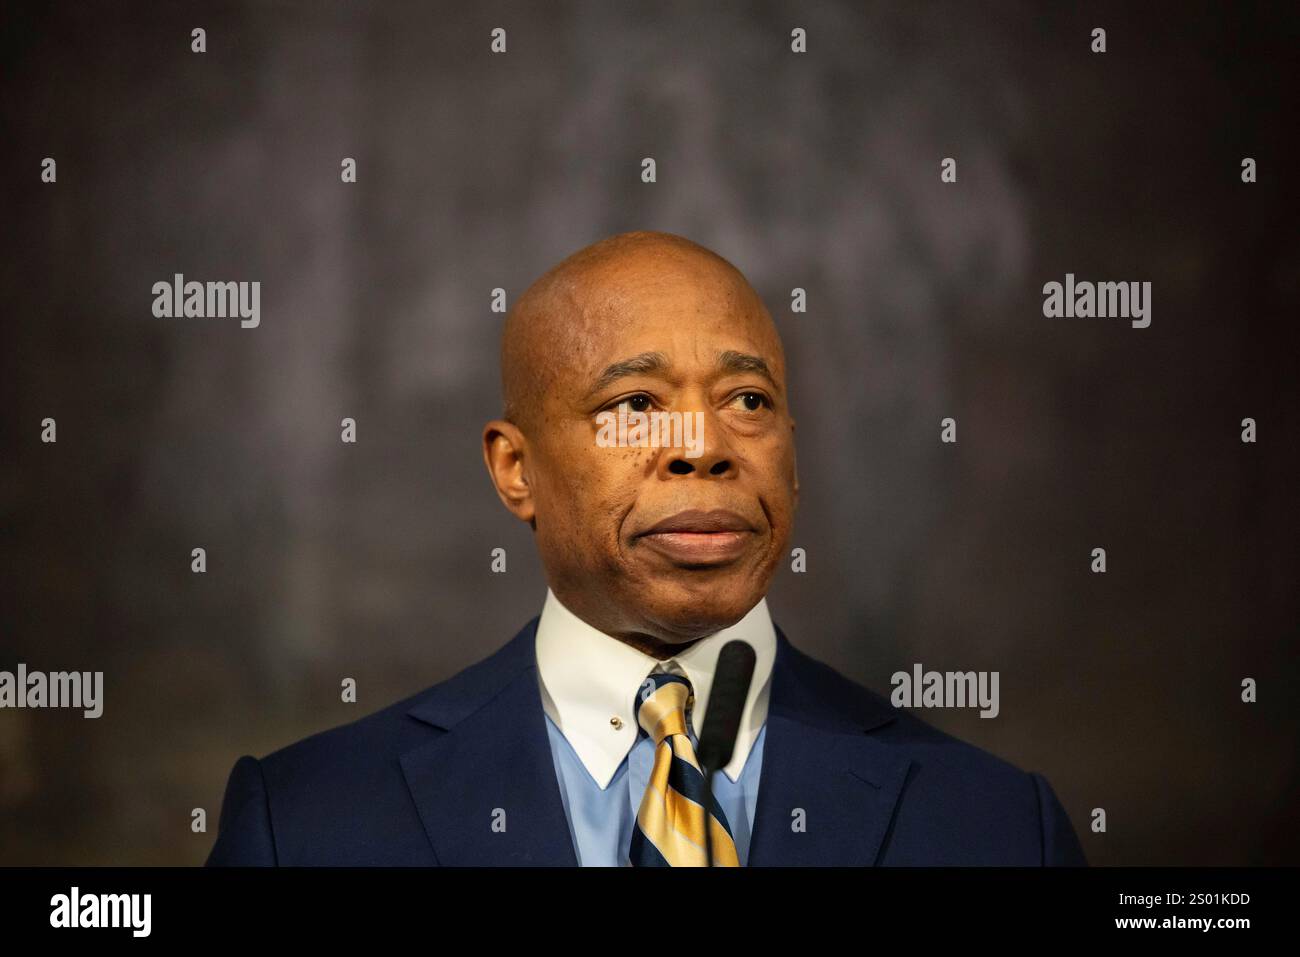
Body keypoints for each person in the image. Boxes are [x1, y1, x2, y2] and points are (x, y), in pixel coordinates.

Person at [206, 230, 1087, 866]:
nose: (702, 443)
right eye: (635, 406)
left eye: (747, 400)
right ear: (516, 469)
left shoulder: (1001, 827)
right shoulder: (306, 825)